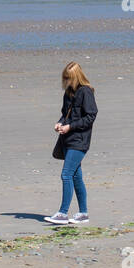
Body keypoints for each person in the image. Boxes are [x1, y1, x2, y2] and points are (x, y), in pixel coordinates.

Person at [46, 62, 97, 225]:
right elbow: (65, 114)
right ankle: (83, 213)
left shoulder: (86, 92)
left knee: (66, 174)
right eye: (65, 78)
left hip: (80, 140)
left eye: (69, 78)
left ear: (76, 77)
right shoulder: (68, 93)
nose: (66, 81)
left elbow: (91, 116)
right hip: (67, 139)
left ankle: (62, 213)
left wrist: (70, 126)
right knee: (76, 176)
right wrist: (60, 123)